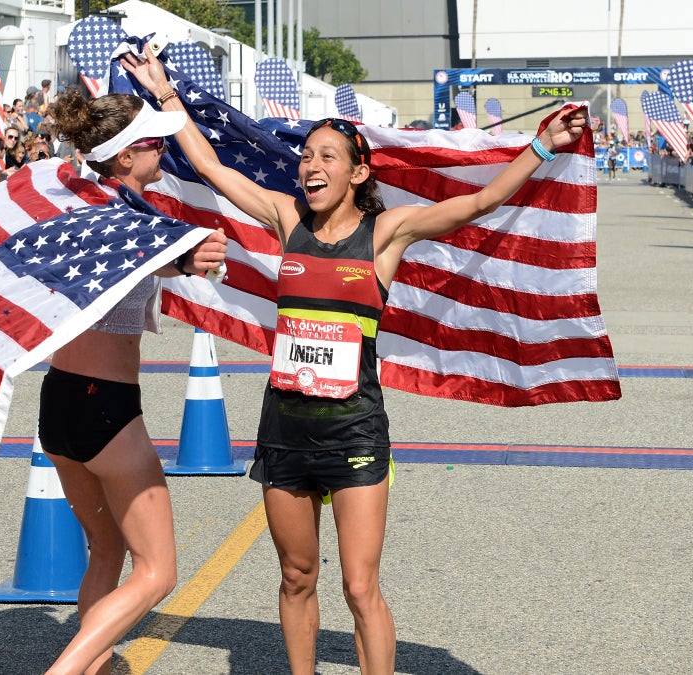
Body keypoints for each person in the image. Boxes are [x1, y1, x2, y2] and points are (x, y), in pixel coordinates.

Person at [125, 50, 588, 675]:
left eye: (327, 157)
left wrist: (543, 145)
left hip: (355, 431)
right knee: (295, 577)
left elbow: (479, 205)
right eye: (307, 156)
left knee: (360, 587)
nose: (311, 166)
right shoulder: (287, 216)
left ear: (357, 173)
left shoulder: (388, 232)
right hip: (285, 428)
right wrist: (166, 98)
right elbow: (209, 167)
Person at [36, 85, 228, 675]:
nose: (162, 155)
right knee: (158, 572)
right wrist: (182, 256)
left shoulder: (73, 202)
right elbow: (127, 247)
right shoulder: (114, 219)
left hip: (61, 401)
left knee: (107, 550)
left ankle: (95, 667)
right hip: (105, 407)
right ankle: (66, 671)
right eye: (154, 146)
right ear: (126, 157)